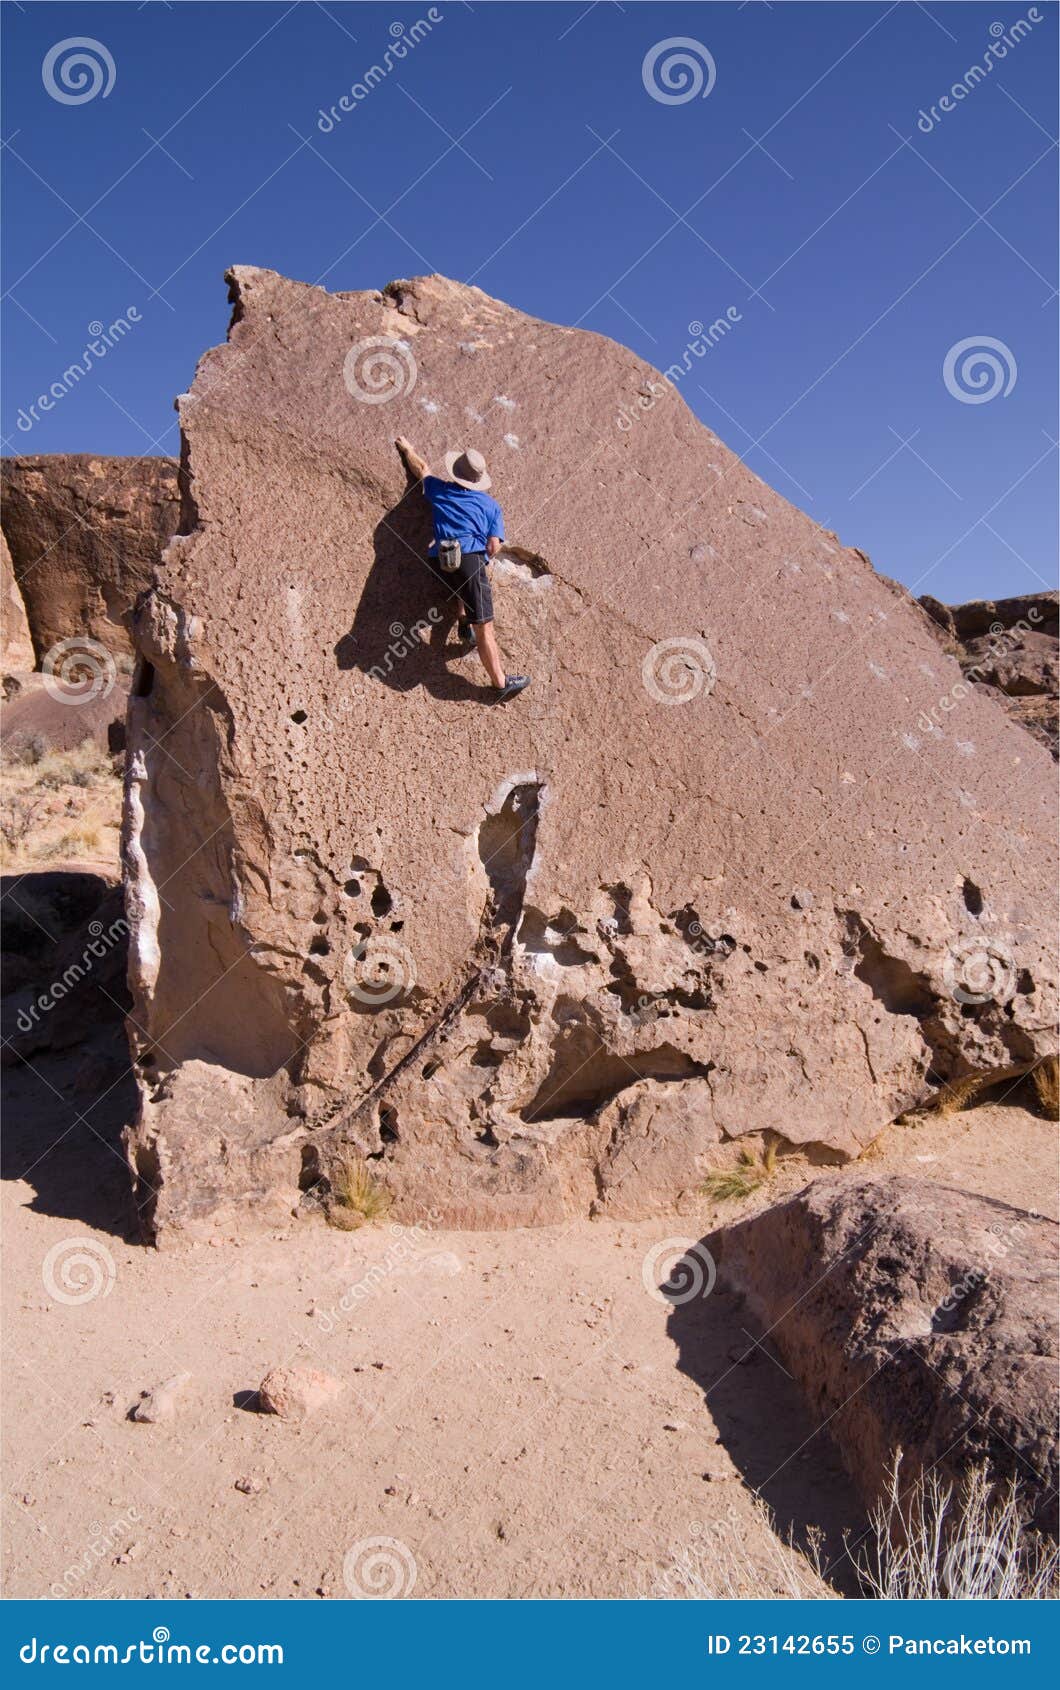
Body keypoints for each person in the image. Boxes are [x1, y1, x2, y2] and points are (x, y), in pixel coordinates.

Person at [394, 436, 530, 701]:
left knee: (458, 585)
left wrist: (408, 448)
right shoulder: (490, 506)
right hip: (469, 560)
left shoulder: (439, 489)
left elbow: (421, 469)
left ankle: (464, 623)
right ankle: (501, 683)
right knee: (486, 627)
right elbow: (493, 547)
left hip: (439, 560)